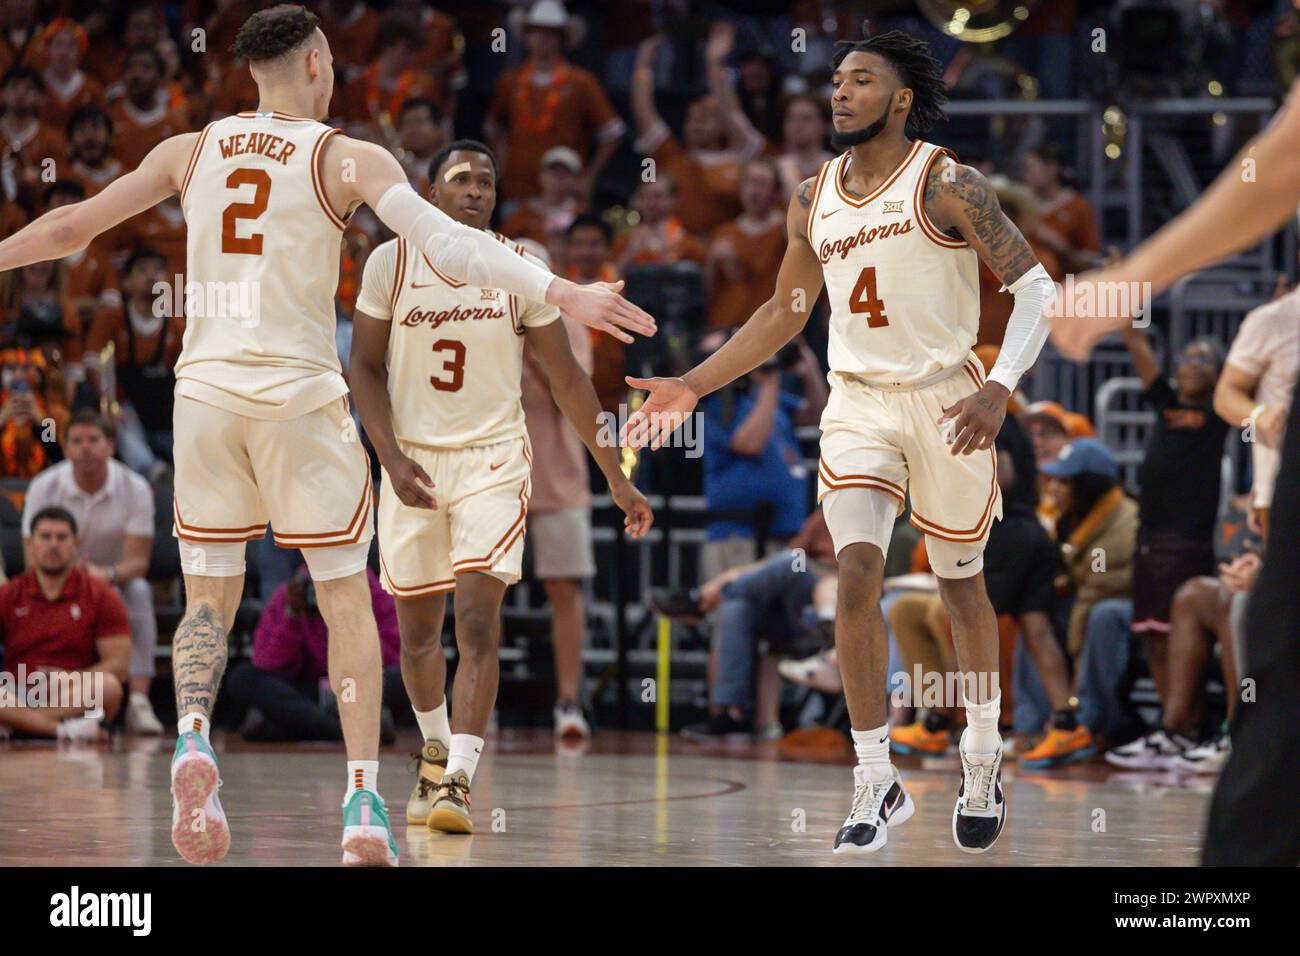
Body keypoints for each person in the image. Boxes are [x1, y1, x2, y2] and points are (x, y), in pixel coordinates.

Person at [0, 2, 654, 869]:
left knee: (207, 597)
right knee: (346, 594)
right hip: (300, 395)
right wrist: (564, 291)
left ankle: (194, 738)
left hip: (203, 394)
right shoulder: (345, 155)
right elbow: (445, 241)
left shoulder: (187, 150)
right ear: (315, 63)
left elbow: (70, 227)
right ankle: (360, 805)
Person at [624, 30, 1056, 855]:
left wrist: (1000, 388)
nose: (841, 92)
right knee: (854, 570)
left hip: (948, 399)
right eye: (836, 80)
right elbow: (782, 315)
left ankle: (979, 755)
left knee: (961, 586)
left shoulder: (948, 181)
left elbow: (1037, 290)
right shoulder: (808, 196)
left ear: (900, 100)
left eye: (862, 80)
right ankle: (873, 777)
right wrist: (693, 385)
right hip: (856, 403)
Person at [347, 139, 653, 836]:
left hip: (492, 461)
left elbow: (567, 381)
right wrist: (390, 459)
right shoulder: (389, 263)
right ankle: (432, 750)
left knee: (479, 623)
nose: (477, 189)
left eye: (487, 179)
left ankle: (457, 779)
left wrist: (616, 476)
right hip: (412, 464)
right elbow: (362, 369)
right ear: (426, 192)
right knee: (418, 634)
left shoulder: (521, 266)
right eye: (461, 177)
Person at [1049, 81, 1300, 865]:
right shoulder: (1211, 374)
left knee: (1281, 678)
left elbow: (1284, 159)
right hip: (1205, 521)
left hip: (1195, 534)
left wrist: (1126, 282)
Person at [1117, 326, 1228, 764]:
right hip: (1149, 533)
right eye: (1187, 357)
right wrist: (1125, 312)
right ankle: (1171, 727)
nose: (1191, 364)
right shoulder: (1165, 403)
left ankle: (1182, 725)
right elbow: (1137, 345)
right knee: (1151, 634)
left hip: (1186, 539)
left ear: (1219, 375)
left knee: (1178, 634)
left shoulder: (1220, 412)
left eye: (1204, 360)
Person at [20, 410, 161, 733]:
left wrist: (103, 576)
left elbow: (139, 562)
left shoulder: (136, 488)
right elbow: (32, 559)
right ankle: (40, 710)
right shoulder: (43, 485)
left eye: (93, 440)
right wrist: (67, 576)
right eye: (77, 441)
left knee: (140, 590)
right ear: (66, 448)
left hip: (112, 580)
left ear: (111, 446)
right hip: (54, 580)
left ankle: (139, 700)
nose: (85, 448)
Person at [519, 297, 598, 739]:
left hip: (559, 477)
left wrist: (532, 345)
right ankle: (476, 707)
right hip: (492, 475)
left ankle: (569, 701)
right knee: (479, 588)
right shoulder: (480, 312)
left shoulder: (569, 322)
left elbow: (569, 393)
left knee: (564, 589)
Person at [226, 566, 404, 743]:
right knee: (242, 677)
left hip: (356, 686)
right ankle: (349, 730)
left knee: (402, 679)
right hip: (305, 688)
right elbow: (268, 666)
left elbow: (392, 657)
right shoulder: (291, 593)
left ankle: (286, 724)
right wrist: (293, 616)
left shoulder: (370, 589)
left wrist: (350, 619)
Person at [0, 506, 129, 740]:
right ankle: (60, 730)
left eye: (61, 537)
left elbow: (119, 666)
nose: (53, 545)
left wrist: (71, 677)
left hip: (71, 693)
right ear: (30, 544)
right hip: (17, 689)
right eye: (45, 537)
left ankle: (19, 722)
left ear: (76, 544)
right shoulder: (10, 593)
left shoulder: (100, 594)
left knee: (109, 686)